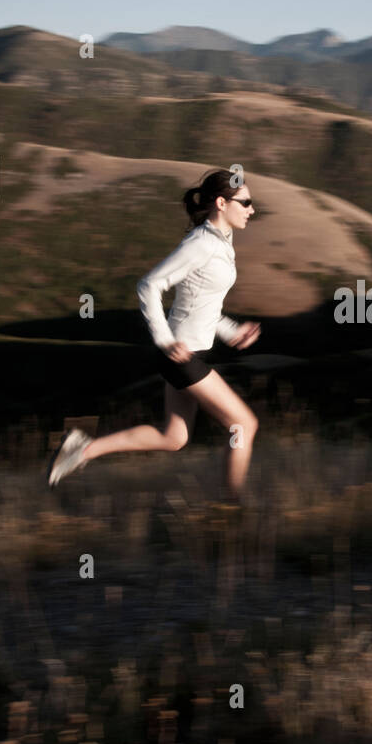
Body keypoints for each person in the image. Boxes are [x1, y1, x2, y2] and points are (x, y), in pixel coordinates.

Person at [48, 168, 261, 499]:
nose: (251, 209)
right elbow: (149, 285)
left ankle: (82, 449)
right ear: (222, 202)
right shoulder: (202, 244)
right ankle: (232, 508)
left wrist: (232, 332)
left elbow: (201, 302)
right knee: (244, 425)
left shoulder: (220, 242)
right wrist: (164, 339)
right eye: (245, 202)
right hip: (182, 355)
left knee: (173, 438)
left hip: (190, 352)